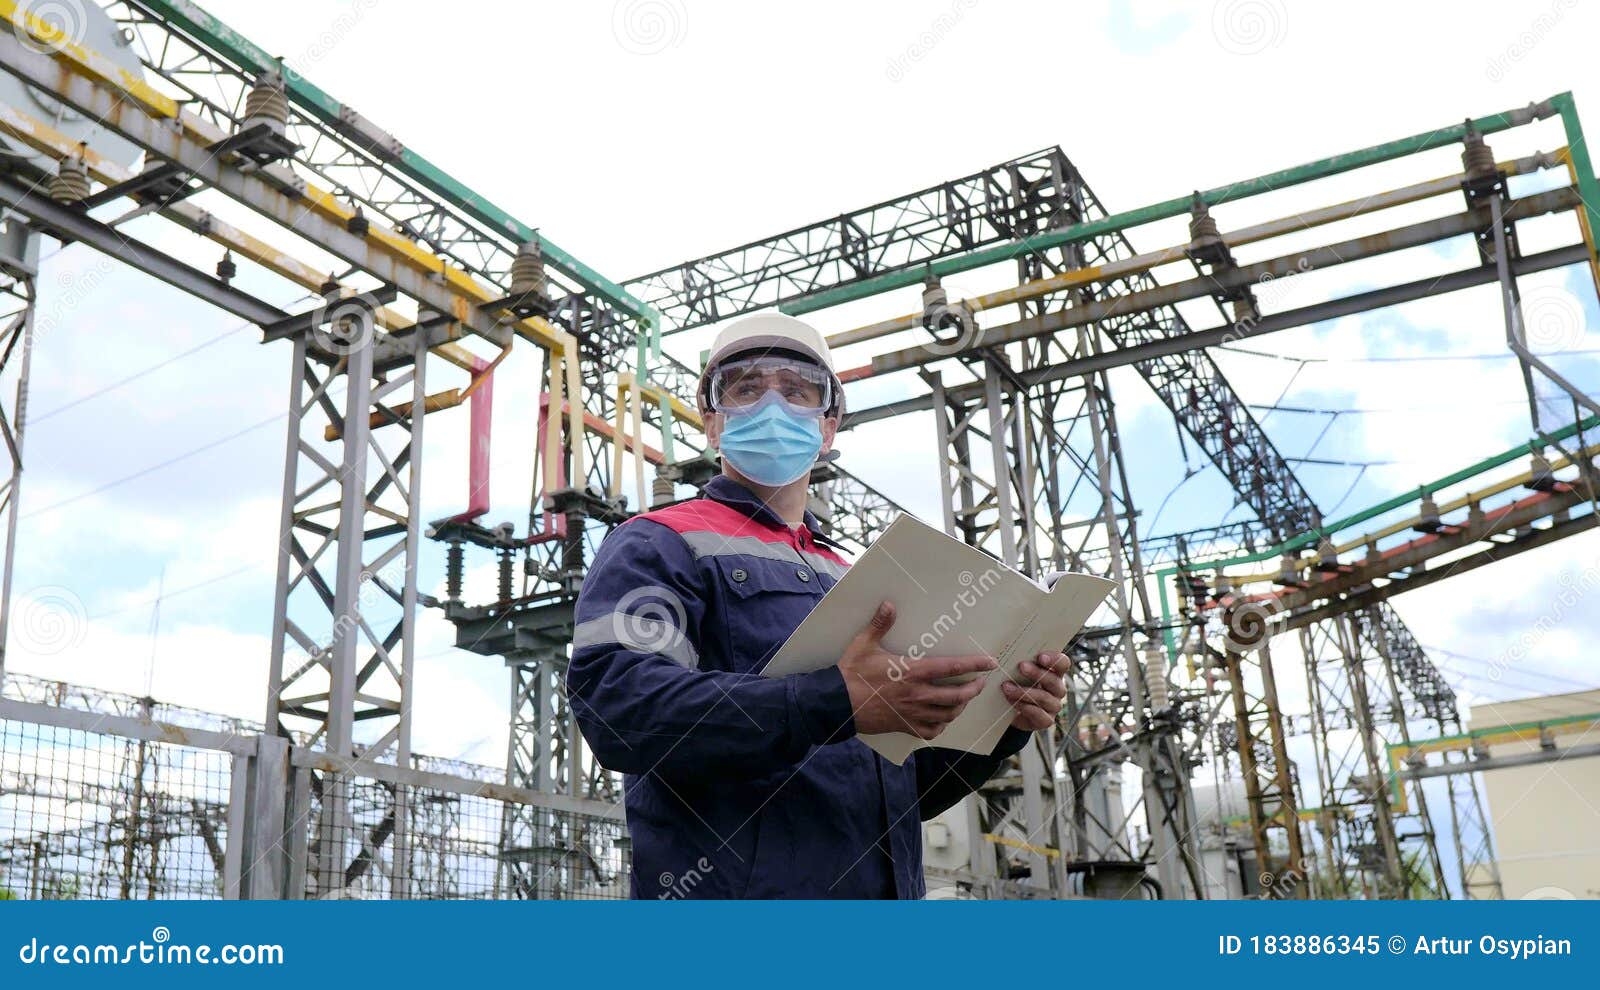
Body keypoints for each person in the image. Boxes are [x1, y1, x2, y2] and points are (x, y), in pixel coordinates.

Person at [565, 312, 1073, 899]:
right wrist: (837, 698)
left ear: (829, 426)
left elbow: (906, 791)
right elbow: (621, 709)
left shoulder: (856, 576)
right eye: (747, 389)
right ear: (712, 420)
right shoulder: (658, 542)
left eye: (797, 391)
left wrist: (1004, 719)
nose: (773, 407)